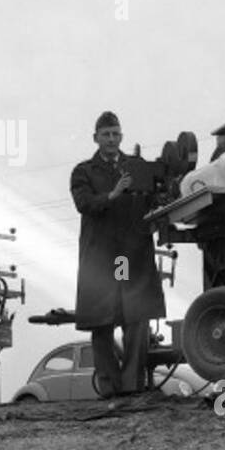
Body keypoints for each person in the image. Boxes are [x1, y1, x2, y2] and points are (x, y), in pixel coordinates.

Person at [70, 111, 168, 398]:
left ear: (121, 137)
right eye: (106, 134)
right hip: (101, 258)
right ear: (96, 138)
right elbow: (84, 203)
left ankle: (131, 388)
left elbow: (154, 200)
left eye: (115, 134)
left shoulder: (136, 167)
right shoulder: (83, 171)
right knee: (102, 324)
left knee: (136, 320)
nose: (111, 140)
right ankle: (109, 390)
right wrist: (113, 194)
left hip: (131, 255)